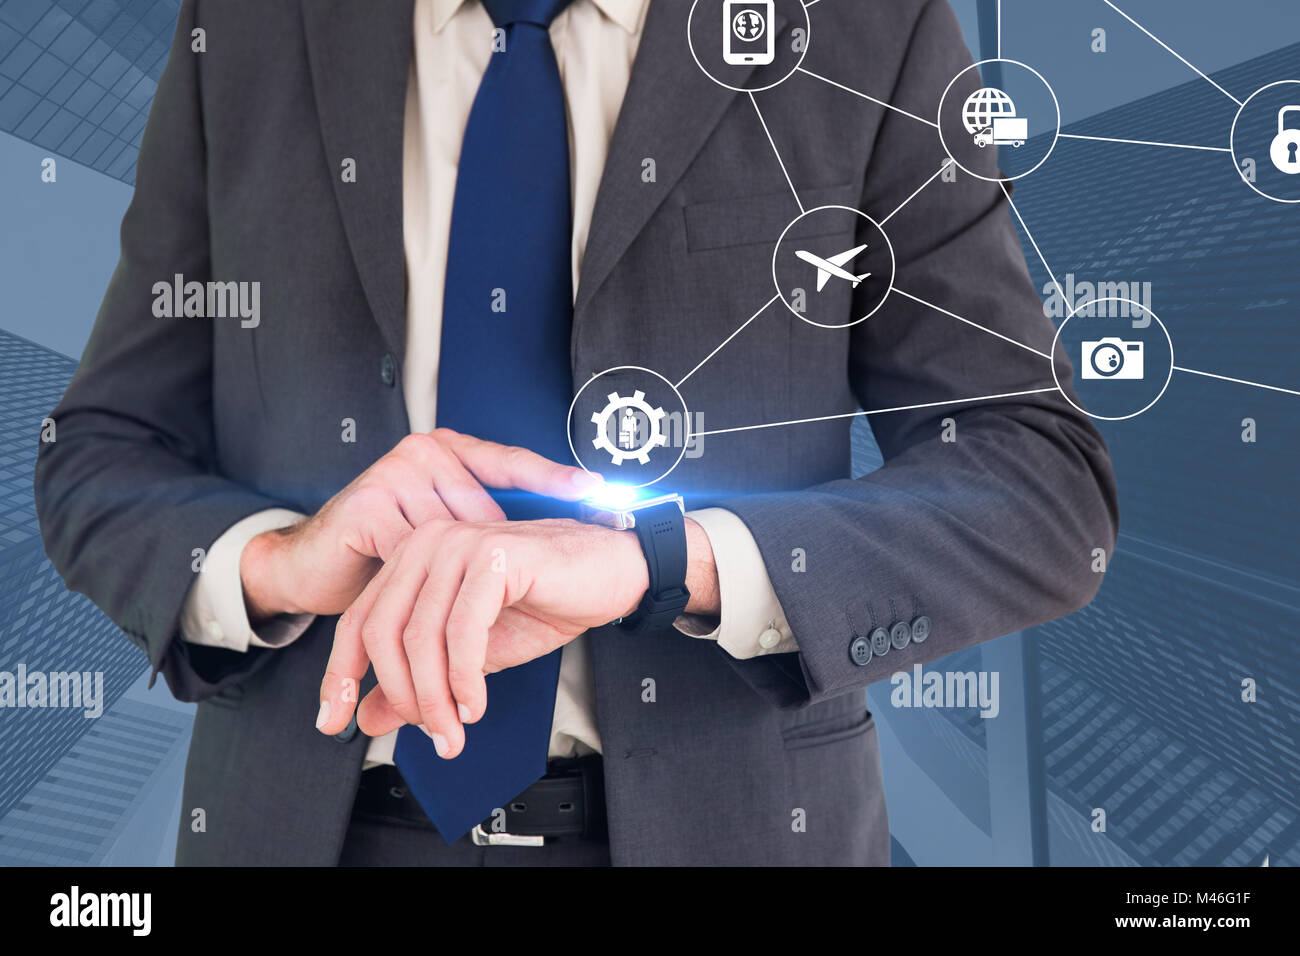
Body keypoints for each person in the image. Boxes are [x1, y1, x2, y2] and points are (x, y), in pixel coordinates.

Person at [34, 0, 1117, 866]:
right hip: (305, 825)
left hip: (729, 828)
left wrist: (664, 561)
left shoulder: (856, 26)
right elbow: (99, 449)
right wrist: (274, 559)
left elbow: (1039, 482)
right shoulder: (248, 27)